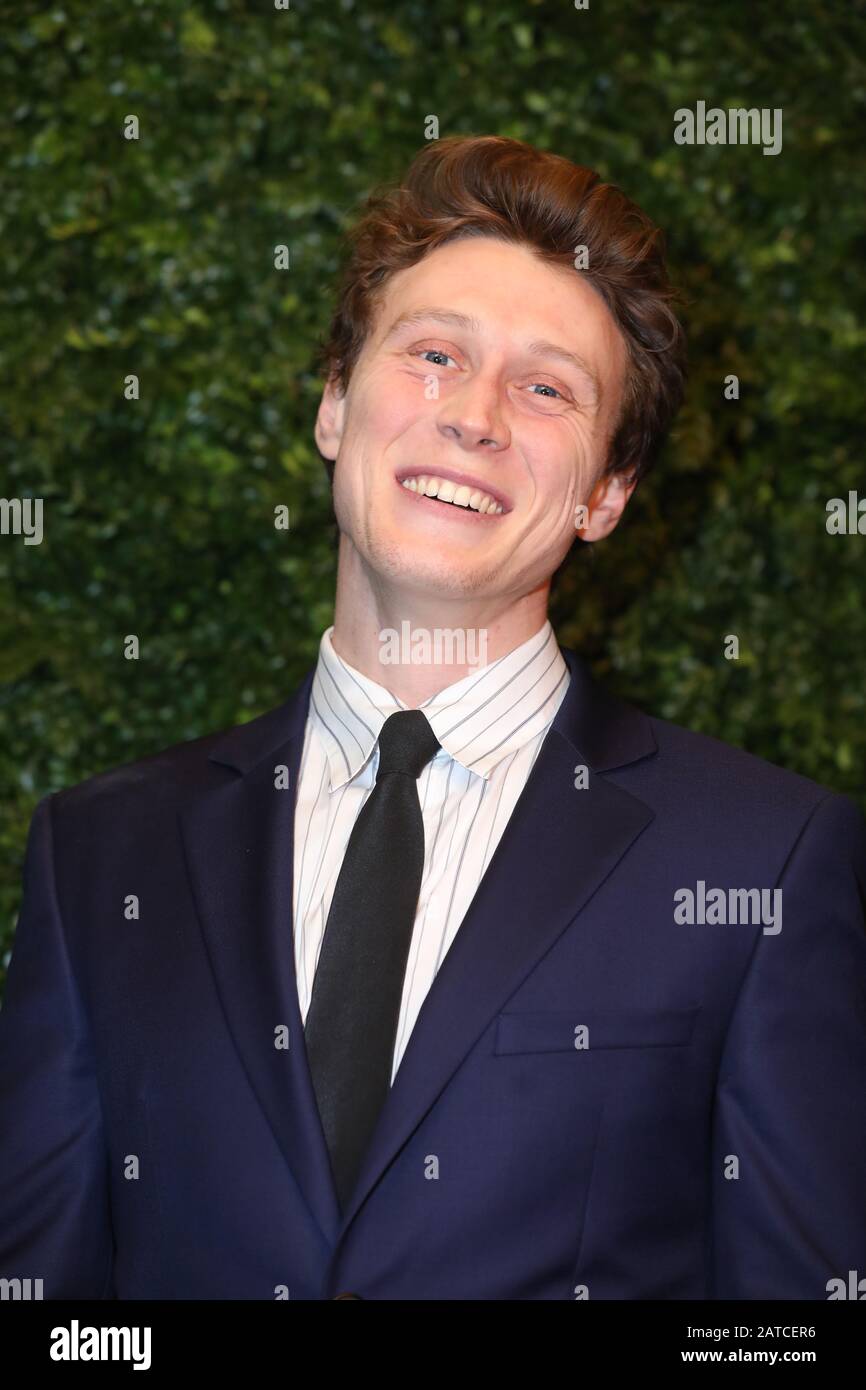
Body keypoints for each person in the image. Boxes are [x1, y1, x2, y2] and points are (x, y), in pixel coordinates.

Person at [1, 135, 864, 1301]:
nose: (473, 416)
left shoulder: (765, 858)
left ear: (605, 493)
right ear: (332, 405)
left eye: (547, 386)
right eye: (432, 354)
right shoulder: (99, 851)